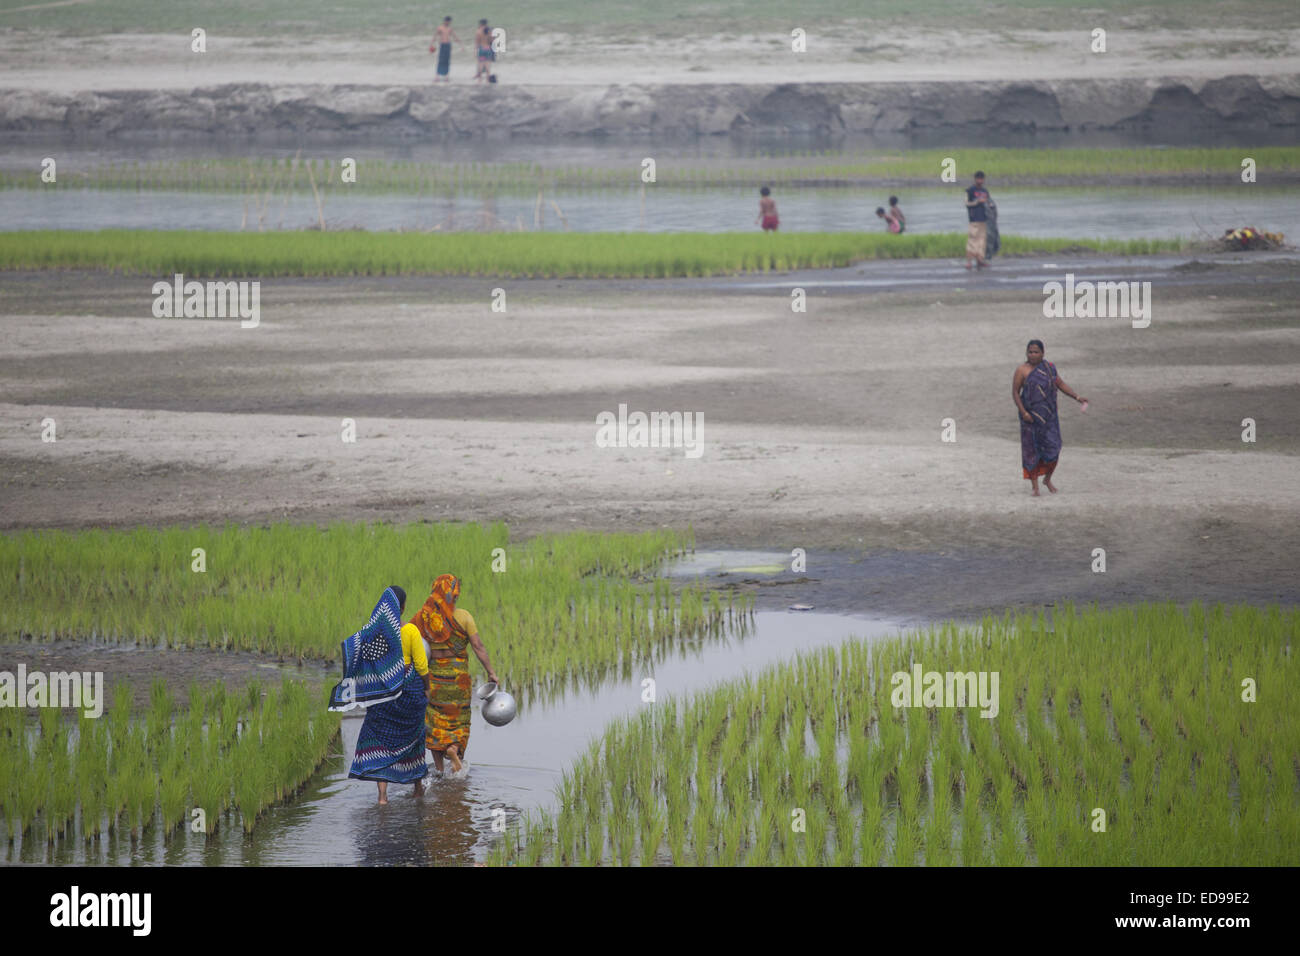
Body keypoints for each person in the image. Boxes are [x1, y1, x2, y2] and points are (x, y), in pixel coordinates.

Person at [328, 586, 431, 804]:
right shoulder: (411, 631)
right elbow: (421, 666)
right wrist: (428, 689)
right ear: (402, 608)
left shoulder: (373, 633)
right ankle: (417, 788)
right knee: (413, 737)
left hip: (383, 695)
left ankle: (382, 797)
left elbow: (361, 657)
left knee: (381, 738)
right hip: (408, 693)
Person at [410, 574, 498, 773]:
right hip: (459, 682)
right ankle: (454, 749)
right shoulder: (464, 617)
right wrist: (491, 673)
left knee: (435, 724)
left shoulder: (422, 618)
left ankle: (440, 770)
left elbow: (407, 639)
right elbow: (478, 646)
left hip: (434, 682)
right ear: (455, 596)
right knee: (460, 721)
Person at [1013, 340, 1086, 496]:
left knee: (1054, 447)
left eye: (1036, 352)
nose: (1033, 355)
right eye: (1030, 352)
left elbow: (1060, 384)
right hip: (1030, 419)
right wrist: (1024, 412)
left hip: (1049, 417)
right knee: (1031, 451)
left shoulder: (1049, 368)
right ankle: (1035, 487)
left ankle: (1047, 479)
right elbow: (1015, 393)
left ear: (1043, 353)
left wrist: (1077, 397)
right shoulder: (1021, 370)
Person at [965, 171, 990, 270]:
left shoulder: (985, 191)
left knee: (982, 241)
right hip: (974, 219)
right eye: (978, 178)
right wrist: (977, 202)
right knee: (972, 240)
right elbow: (966, 203)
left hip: (984, 219)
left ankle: (980, 260)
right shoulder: (970, 190)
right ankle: (969, 262)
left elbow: (989, 202)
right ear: (975, 179)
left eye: (982, 179)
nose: (980, 180)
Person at [430, 17, 463, 83]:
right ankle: (437, 76)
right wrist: (431, 44)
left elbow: (455, 36)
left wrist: (461, 45)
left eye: (450, 22)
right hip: (442, 45)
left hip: (448, 45)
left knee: (447, 61)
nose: (449, 23)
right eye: (448, 21)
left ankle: (446, 77)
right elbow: (435, 36)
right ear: (445, 21)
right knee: (440, 61)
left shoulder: (450, 29)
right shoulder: (440, 28)